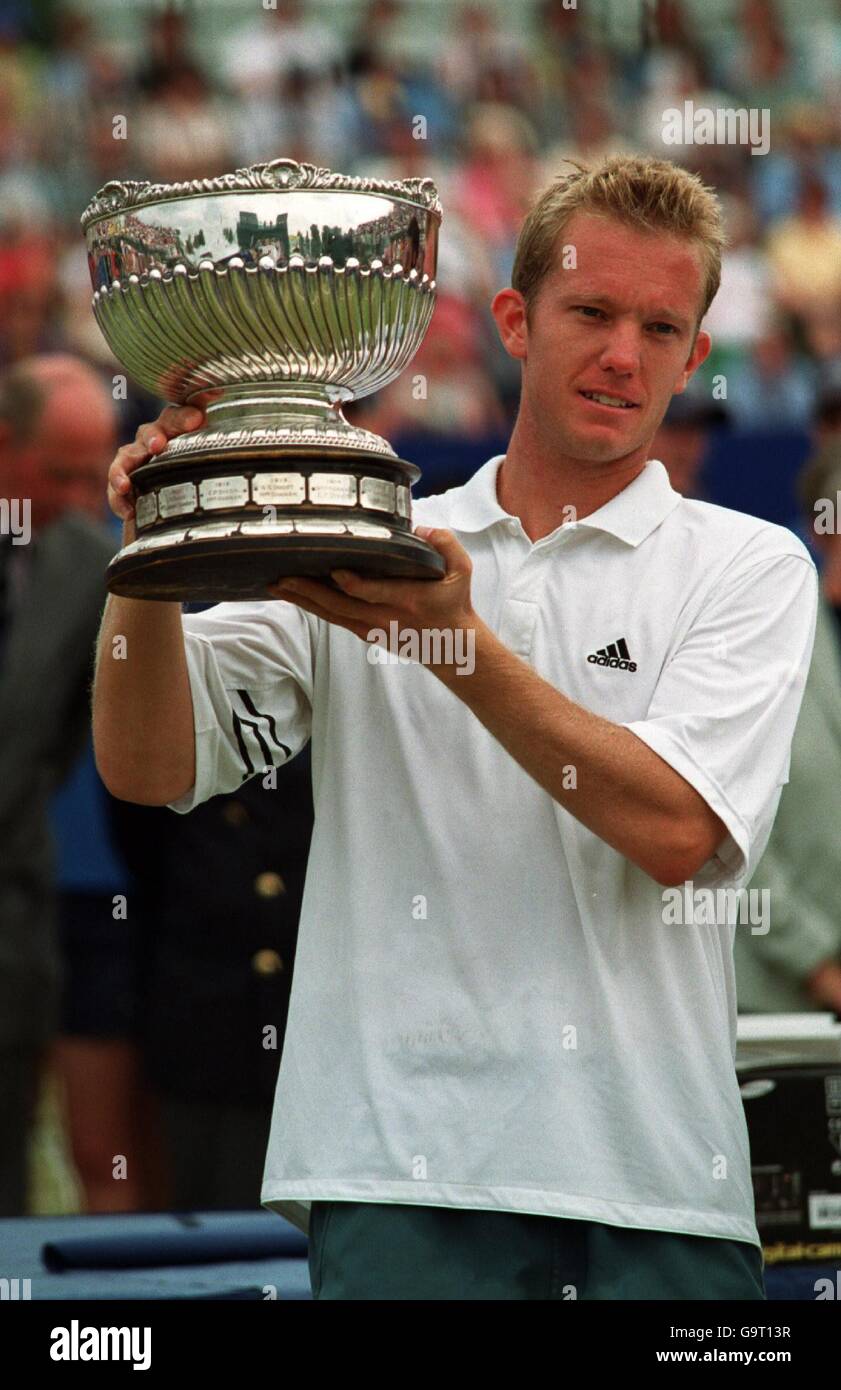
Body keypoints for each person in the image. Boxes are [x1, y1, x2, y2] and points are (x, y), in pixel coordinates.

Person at [93, 155, 818, 1300]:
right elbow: (146, 766)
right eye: (591, 311)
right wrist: (148, 553)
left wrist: (452, 642)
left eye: (660, 326)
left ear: (694, 351)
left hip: (657, 1184)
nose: (623, 353)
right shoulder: (371, 538)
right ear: (516, 321)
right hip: (395, 1177)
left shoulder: (747, 566)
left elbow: (675, 830)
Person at [0, 354, 117, 1215]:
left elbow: (67, 739)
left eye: (95, 473)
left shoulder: (87, 565)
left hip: (14, 925)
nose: (85, 499)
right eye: (63, 473)